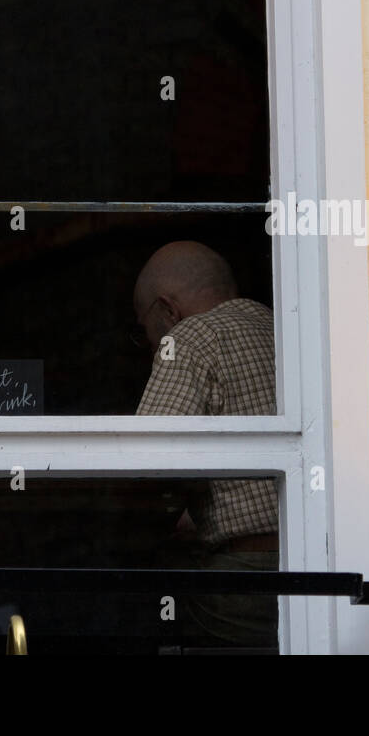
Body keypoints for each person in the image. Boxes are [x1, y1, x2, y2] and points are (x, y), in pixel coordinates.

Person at [131, 240, 279, 649]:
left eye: (144, 332)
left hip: (245, 574)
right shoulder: (278, 326)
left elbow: (149, 461)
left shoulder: (190, 337)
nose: (150, 346)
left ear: (167, 311)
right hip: (309, 560)